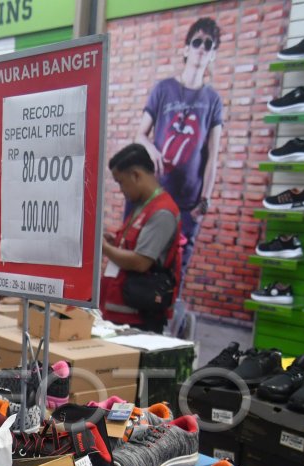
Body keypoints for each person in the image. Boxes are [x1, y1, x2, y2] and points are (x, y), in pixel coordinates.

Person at [134, 16, 223, 282]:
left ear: (213, 54)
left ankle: (166, 321)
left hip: (189, 203)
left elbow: (213, 155)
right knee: (146, 259)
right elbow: (140, 134)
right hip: (157, 195)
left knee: (176, 269)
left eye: (208, 44)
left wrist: (203, 202)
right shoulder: (164, 90)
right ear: (186, 49)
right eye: (197, 42)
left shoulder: (212, 99)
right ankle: (143, 321)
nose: (201, 48)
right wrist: (150, 147)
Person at [100, 144, 181, 333]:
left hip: (139, 321)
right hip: (121, 316)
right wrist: (115, 243)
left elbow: (140, 262)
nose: (121, 189)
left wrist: (103, 248)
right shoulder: (142, 206)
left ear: (136, 175)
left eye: (120, 182)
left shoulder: (162, 212)